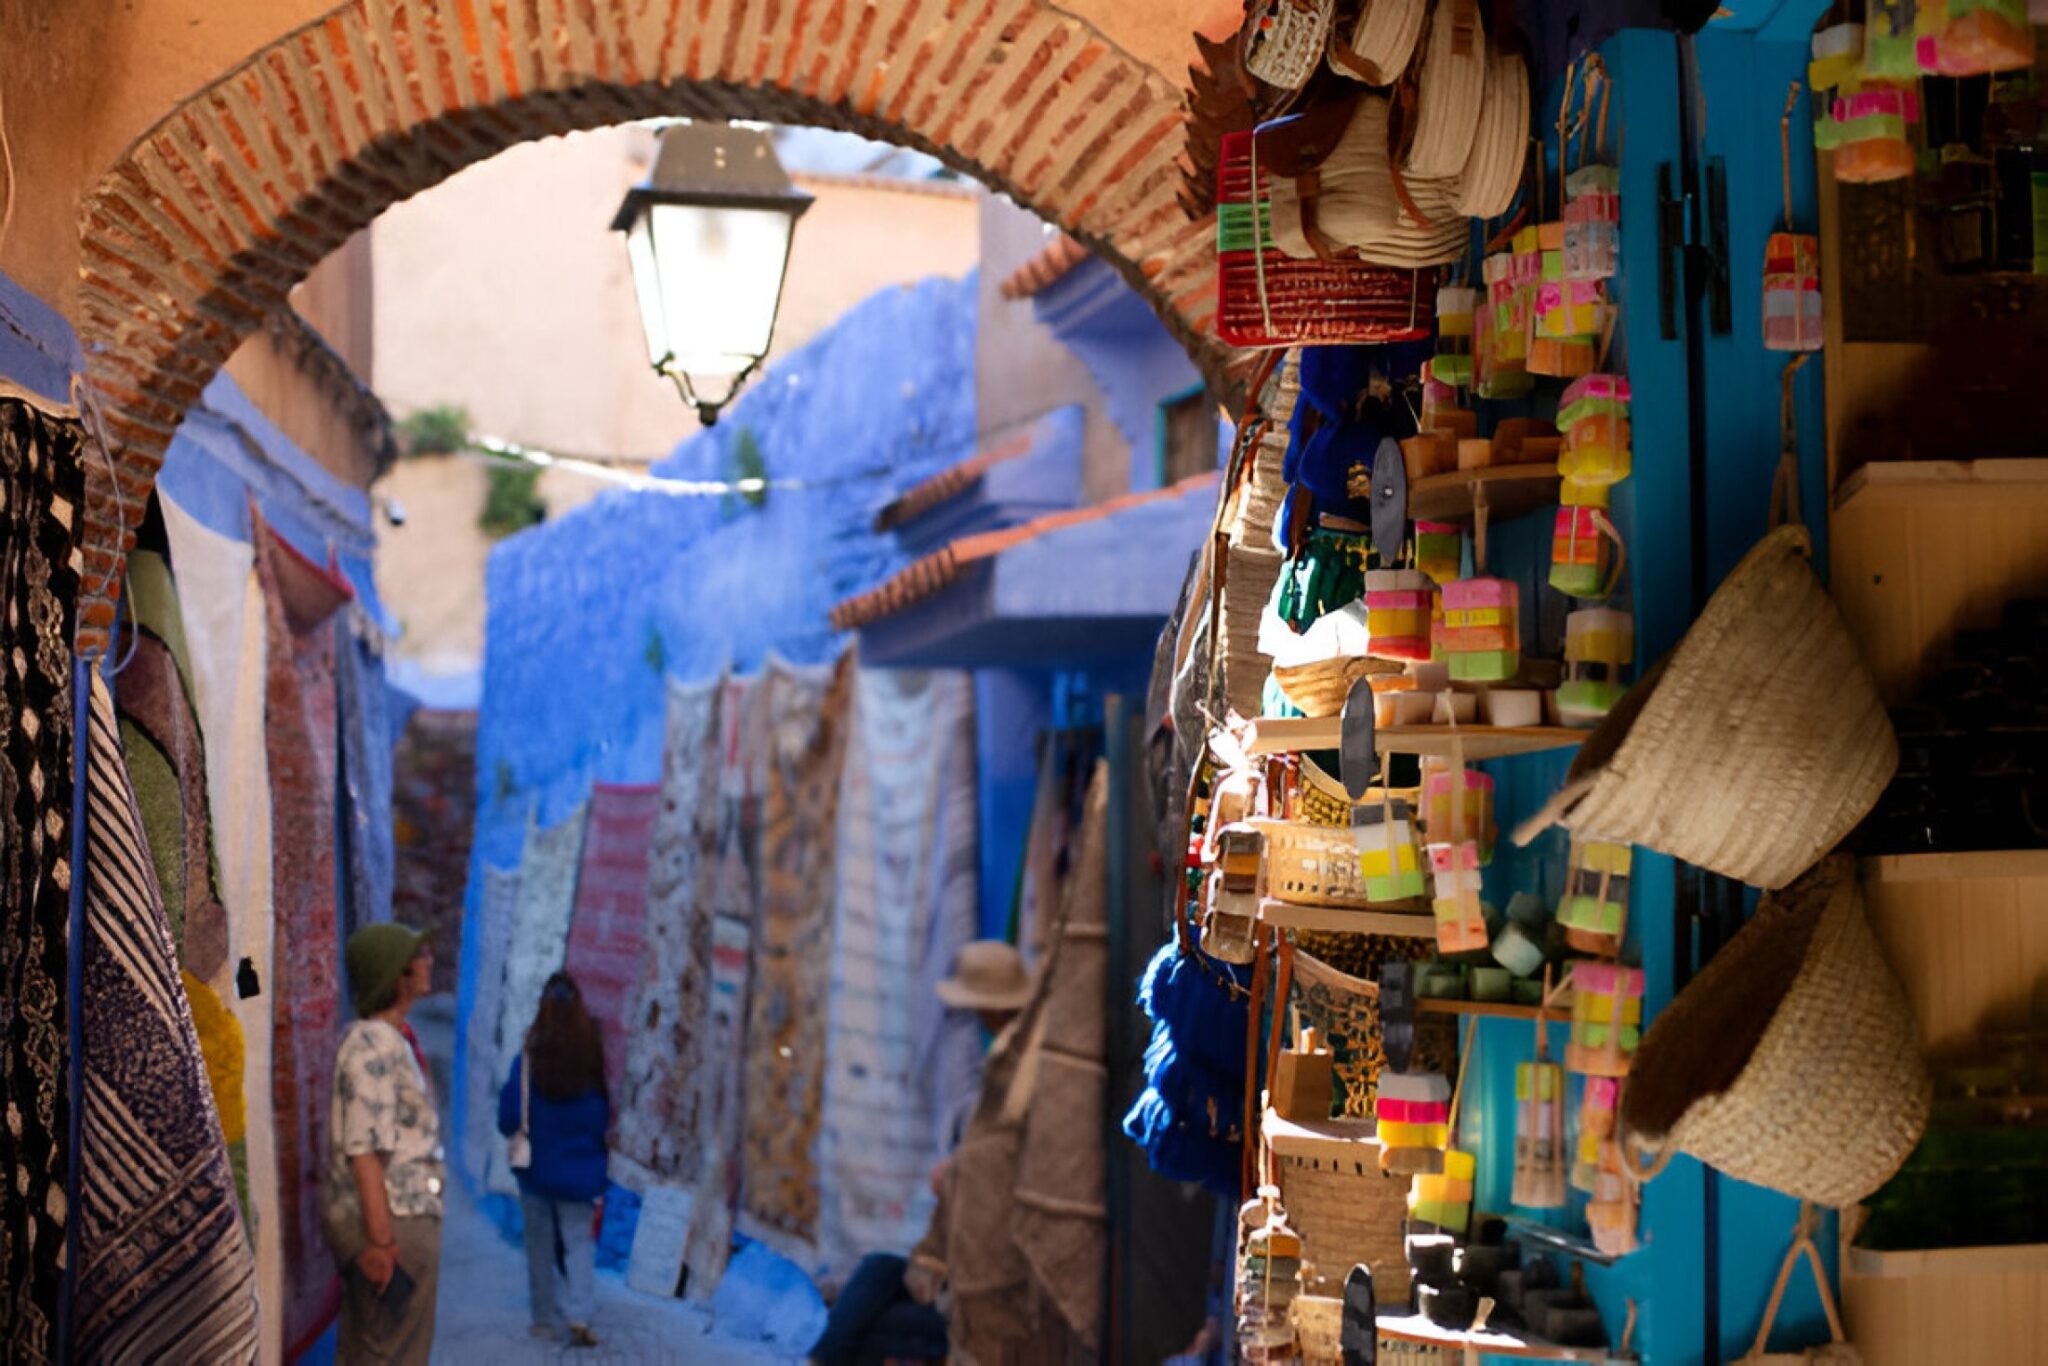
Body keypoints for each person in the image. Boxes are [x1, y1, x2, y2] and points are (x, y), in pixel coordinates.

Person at [810, 940, 1035, 1366]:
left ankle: (822, 1359)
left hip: (985, 1301)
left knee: (871, 1330)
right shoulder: (1002, 1066)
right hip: (957, 1275)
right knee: (877, 1271)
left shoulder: (1017, 1077)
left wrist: (956, 1179)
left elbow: (992, 1192)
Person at [324, 923, 444, 1366]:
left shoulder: (392, 1041)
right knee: (389, 1356)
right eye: (418, 956)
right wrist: (379, 1242)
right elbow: (364, 1149)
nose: (428, 961)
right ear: (396, 974)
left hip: (404, 1218)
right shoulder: (371, 1044)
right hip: (394, 1222)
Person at [498, 971, 611, 1348]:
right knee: (579, 1242)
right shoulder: (591, 1058)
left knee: (539, 1244)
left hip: (536, 1170)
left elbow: (510, 1116)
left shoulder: (530, 1058)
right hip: (579, 1170)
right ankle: (580, 1312)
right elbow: (601, 1114)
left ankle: (544, 1319)